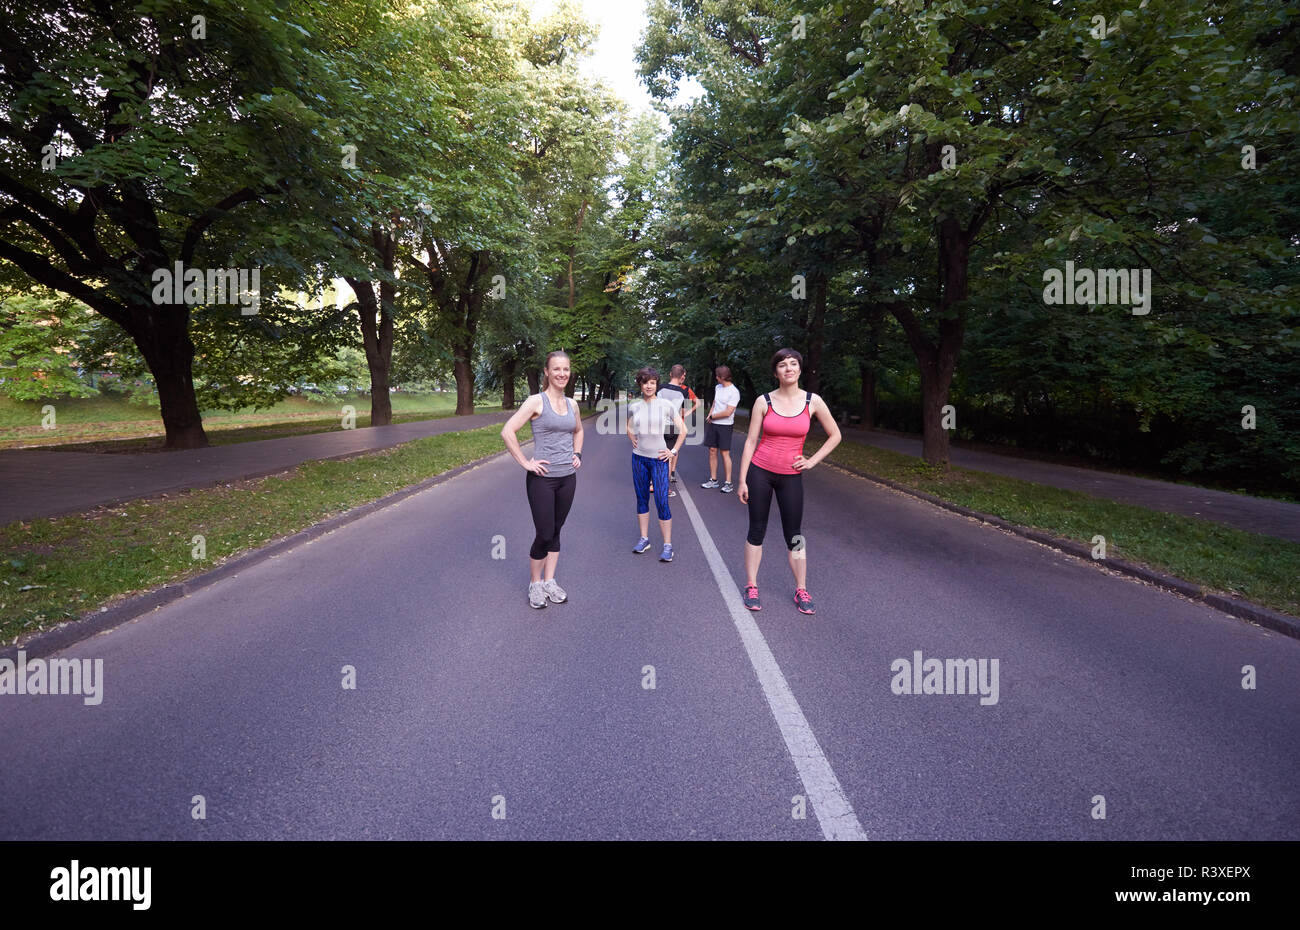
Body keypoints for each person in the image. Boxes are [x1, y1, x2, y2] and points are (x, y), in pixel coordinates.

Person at [737, 348, 841, 614]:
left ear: (799, 369)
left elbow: (835, 435)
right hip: (760, 472)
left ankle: (801, 589)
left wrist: (812, 461)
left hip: (791, 477)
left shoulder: (812, 401)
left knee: (794, 535)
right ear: (776, 372)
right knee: (756, 530)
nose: (788, 368)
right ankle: (751, 586)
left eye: (793, 364)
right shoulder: (764, 401)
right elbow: (750, 441)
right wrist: (742, 480)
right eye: (782, 365)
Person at [501, 351, 584, 609]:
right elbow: (507, 431)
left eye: (566, 369)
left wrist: (577, 453)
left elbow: (579, 430)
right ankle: (535, 584)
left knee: (557, 531)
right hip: (542, 480)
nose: (562, 373)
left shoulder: (572, 405)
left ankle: (550, 581)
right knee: (544, 533)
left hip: (567, 478)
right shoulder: (536, 402)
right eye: (556, 369)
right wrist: (526, 463)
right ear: (547, 372)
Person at [627, 366, 686, 561]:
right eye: (645, 382)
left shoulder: (665, 405)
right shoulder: (634, 406)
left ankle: (668, 545)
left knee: (662, 501)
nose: (649, 386)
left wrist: (673, 451)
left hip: (660, 460)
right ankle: (644, 539)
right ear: (640, 384)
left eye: (652, 382)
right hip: (639, 459)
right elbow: (629, 426)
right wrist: (631, 437)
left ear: (656, 384)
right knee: (641, 499)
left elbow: (683, 430)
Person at [656, 365, 697, 495]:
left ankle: (652, 483)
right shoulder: (684, 392)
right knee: (667, 457)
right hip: (672, 427)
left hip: (657, 425)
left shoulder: (660, 387)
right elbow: (683, 411)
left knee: (654, 454)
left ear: (670, 374)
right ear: (681, 376)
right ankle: (665, 488)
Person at [701, 364, 740, 493]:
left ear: (721, 377)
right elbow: (715, 403)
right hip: (714, 424)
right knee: (712, 450)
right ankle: (713, 480)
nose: (716, 379)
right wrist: (709, 414)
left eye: (717, 377)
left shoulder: (734, 392)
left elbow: (728, 412)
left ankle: (728, 483)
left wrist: (713, 416)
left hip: (725, 425)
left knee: (724, 453)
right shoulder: (718, 387)